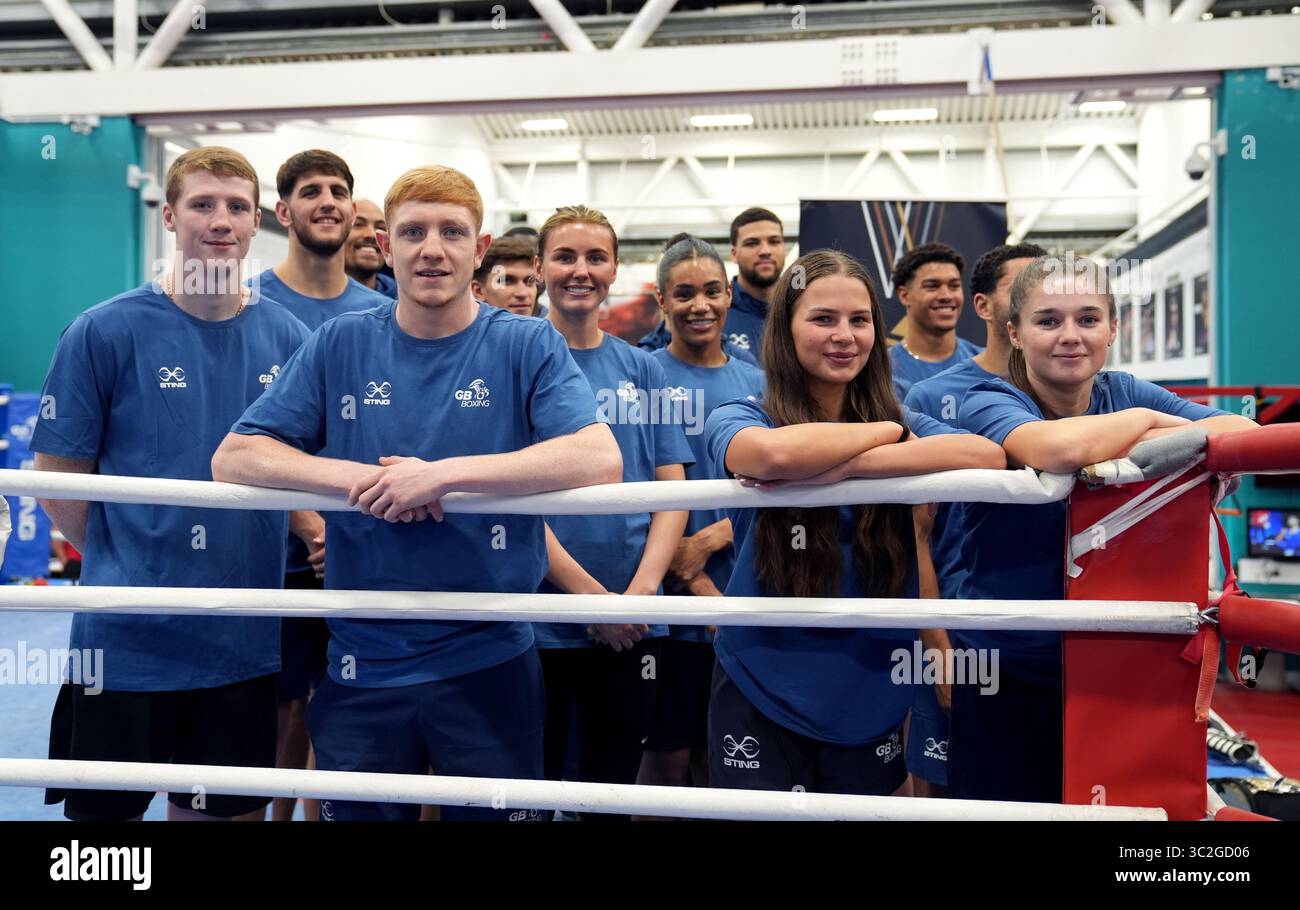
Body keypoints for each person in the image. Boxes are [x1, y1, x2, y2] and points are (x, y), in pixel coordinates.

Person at [212, 165, 622, 821]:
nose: (433, 248)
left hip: (491, 655)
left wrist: (443, 474)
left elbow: (600, 458)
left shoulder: (526, 341)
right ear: (387, 243)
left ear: (479, 248)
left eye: (452, 231)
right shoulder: (341, 341)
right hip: (363, 657)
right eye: (413, 232)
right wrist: (360, 480)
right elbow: (234, 457)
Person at [32, 146, 311, 821]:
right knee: (108, 841)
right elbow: (60, 485)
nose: (221, 221)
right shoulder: (102, 330)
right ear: (170, 216)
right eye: (203, 204)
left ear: (256, 225)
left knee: (223, 817)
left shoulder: (292, 337)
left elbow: (307, 469)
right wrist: (132, 556)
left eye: (237, 207)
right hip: (124, 645)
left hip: (240, 644)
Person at [949, 254, 1257, 803]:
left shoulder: (1124, 389)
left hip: (1117, 659)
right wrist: (1151, 427)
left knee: (1119, 814)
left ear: (1113, 329)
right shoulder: (989, 397)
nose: (1070, 336)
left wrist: (1136, 427)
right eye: (1048, 321)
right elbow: (1057, 448)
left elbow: (1241, 430)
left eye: (1088, 319)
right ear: (1014, 332)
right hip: (1009, 663)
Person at [703, 250, 1006, 797]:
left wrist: (828, 466)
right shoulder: (745, 410)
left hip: (871, 681)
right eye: (823, 319)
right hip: (762, 676)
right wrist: (890, 440)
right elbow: (768, 457)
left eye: (859, 320)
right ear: (786, 328)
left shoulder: (902, 415)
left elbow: (985, 456)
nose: (844, 335)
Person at [529, 206, 692, 821]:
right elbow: (504, 504)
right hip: (540, 616)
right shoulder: (514, 357)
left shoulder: (641, 368)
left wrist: (639, 594)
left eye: (595, 257)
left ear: (615, 269)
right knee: (532, 791)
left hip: (631, 621)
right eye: (565, 257)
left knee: (610, 790)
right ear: (542, 265)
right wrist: (591, 599)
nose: (580, 270)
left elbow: (670, 486)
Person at [251, 150, 391, 820]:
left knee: (344, 720)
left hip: (366, 550)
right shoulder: (249, 305)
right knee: (281, 719)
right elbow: (247, 443)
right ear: (284, 212)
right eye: (311, 192)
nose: (329, 202)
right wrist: (310, 524)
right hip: (279, 556)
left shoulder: (383, 309)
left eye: (340, 190)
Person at [899, 242, 1045, 797]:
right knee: (947, 787)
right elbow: (916, 533)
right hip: (961, 624)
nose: (1040, 296)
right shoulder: (932, 396)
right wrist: (936, 644)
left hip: (1055, 634)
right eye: (1023, 286)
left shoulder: (1086, 393)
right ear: (986, 308)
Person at [638, 234, 764, 795]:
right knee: (664, 764)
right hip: (664, 602)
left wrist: (707, 546)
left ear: (730, 294)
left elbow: (778, 487)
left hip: (740, 592)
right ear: (661, 300)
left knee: (731, 762)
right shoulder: (638, 376)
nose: (700, 306)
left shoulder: (758, 383)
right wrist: (678, 566)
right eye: (683, 294)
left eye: (713, 291)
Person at [889, 242, 982, 385]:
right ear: (904, 295)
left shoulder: (984, 363)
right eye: (932, 286)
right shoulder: (882, 370)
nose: (946, 295)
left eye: (954, 286)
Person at [472, 235, 541, 316]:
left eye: (530, 281)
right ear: (478, 291)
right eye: (507, 281)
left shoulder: (550, 327)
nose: (523, 293)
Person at [344, 198, 397, 298]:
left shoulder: (407, 302)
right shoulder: (308, 297)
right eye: (358, 224)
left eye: (381, 228)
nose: (372, 235)